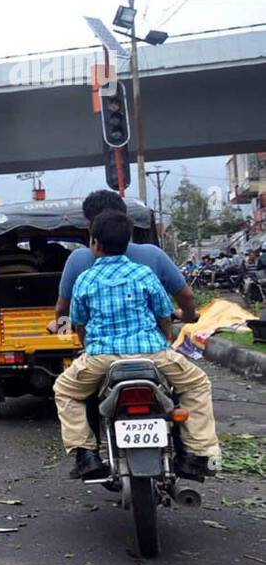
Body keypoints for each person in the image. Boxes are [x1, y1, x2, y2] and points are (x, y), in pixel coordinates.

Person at [52, 210, 220, 481]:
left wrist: (89, 347)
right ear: (128, 240)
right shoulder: (143, 272)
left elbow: (78, 320)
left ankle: (86, 454)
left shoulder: (84, 278)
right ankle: (196, 454)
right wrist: (164, 344)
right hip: (153, 354)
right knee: (197, 384)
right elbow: (164, 314)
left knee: (64, 389)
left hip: (101, 357)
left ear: (93, 242)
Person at [51, 190, 199, 333]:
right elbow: (186, 297)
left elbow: (62, 309)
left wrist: (63, 330)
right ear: (126, 224)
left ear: (91, 228)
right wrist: (187, 317)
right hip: (151, 348)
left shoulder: (77, 260)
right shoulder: (153, 255)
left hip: (98, 351)